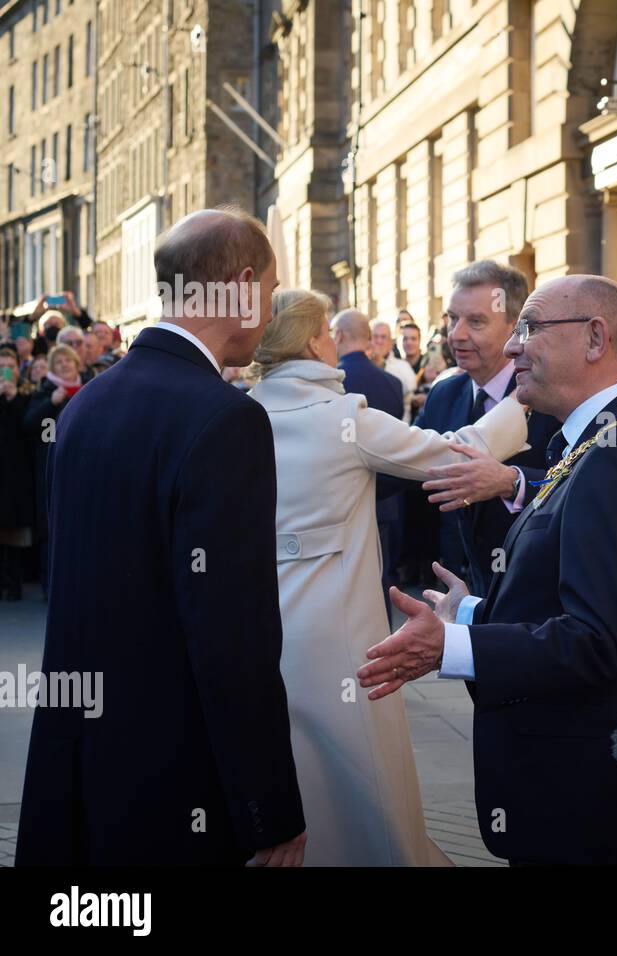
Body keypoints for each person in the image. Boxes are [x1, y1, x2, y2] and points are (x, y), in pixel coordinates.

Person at [358, 275, 617, 866]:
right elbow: (575, 604)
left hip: (594, 804)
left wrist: (451, 647)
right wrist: (469, 613)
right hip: (583, 796)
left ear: (595, 337)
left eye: (530, 328)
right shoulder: (602, 442)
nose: (514, 346)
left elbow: (594, 642)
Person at [17, 207, 306, 866]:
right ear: (238, 285)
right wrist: (269, 806)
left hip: (85, 768)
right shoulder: (225, 419)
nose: (269, 310)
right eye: (268, 289)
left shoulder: (89, 403)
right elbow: (234, 632)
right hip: (175, 782)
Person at [247, 289, 527, 865]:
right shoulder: (342, 418)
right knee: (366, 781)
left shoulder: (239, 413)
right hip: (339, 630)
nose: (335, 339)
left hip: (260, 628)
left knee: (292, 768)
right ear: (309, 339)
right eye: (326, 327)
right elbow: (456, 455)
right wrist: (521, 402)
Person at [409, 260, 561, 596]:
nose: (456, 334)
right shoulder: (444, 394)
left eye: (476, 322)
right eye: (452, 318)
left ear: (514, 328)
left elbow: (580, 488)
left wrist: (511, 483)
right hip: (465, 597)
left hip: (539, 597)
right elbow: (406, 470)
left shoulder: (554, 399)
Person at [333, 309, 407, 617]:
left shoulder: (333, 383)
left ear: (338, 336)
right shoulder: (391, 383)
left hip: (344, 500)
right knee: (382, 580)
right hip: (386, 497)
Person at [21, 343, 84, 598]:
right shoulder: (44, 390)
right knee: (51, 525)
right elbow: (28, 424)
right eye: (58, 363)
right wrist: (51, 403)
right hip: (51, 465)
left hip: (81, 465)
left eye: (68, 361)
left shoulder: (89, 386)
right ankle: (51, 588)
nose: (64, 366)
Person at [0, 345, 34, 601]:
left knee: (14, 530)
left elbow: (29, 427)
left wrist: (12, 399)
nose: (6, 371)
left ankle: (14, 583)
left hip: (15, 472)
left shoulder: (26, 394)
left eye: (10, 366)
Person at [371, 318, 418, 412]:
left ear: (390, 342)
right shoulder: (362, 365)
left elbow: (409, 395)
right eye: (375, 336)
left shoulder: (403, 367)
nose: (379, 341)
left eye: (383, 337)